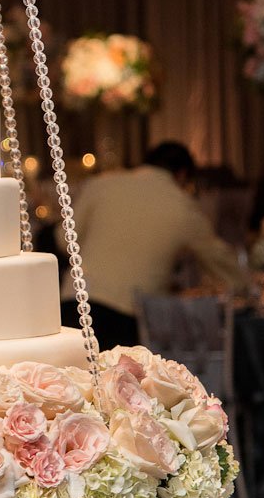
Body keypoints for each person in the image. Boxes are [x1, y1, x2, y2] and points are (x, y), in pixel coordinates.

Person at [60, 140, 248, 350]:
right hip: (127, 316)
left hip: (74, 301)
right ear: (182, 175)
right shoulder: (184, 206)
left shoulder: (101, 184)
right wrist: (247, 288)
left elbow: (63, 237)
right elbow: (221, 262)